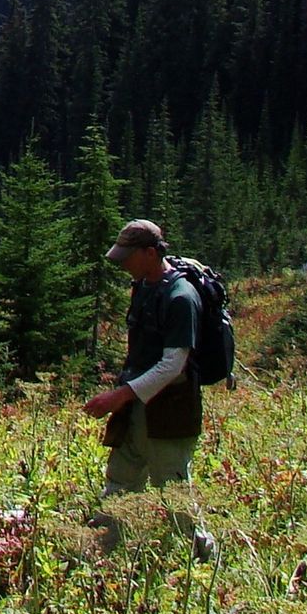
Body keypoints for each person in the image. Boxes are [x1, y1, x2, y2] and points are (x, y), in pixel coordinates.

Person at [81, 218, 216, 559]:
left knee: (175, 498)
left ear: (151, 253)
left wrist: (119, 396)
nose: (123, 263)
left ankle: (201, 559)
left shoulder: (181, 298)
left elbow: (173, 366)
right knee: (120, 482)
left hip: (170, 414)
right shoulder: (143, 287)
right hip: (136, 411)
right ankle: (101, 552)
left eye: (129, 256)